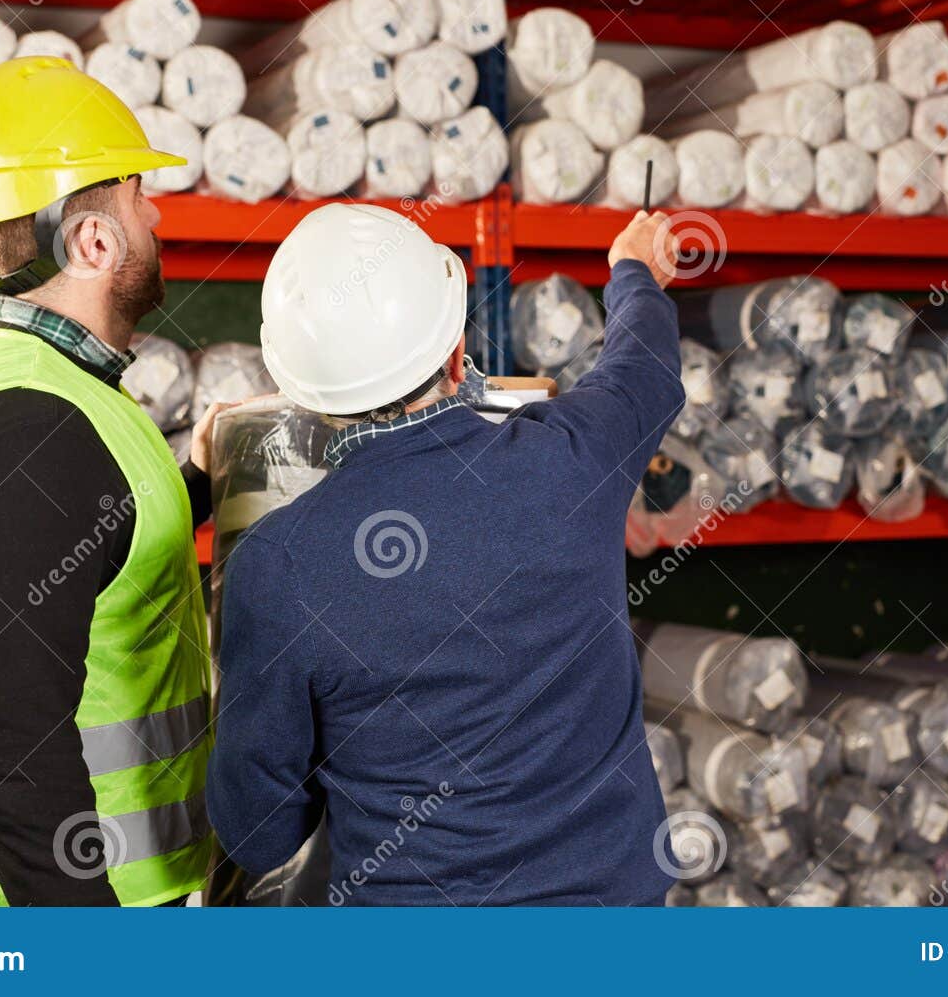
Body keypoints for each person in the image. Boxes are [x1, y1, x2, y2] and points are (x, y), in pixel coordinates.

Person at [208, 202, 684, 905]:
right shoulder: (572, 458)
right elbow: (645, 368)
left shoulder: (280, 565)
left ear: (302, 398)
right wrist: (635, 270)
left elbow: (259, 835)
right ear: (457, 354)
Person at [0, 57, 221, 907]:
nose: (155, 212)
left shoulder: (40, 384)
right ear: (94, 240)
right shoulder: (31, 430)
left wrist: (201, 481)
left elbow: (85, 551)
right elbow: (9, 738)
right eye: (140, 195)